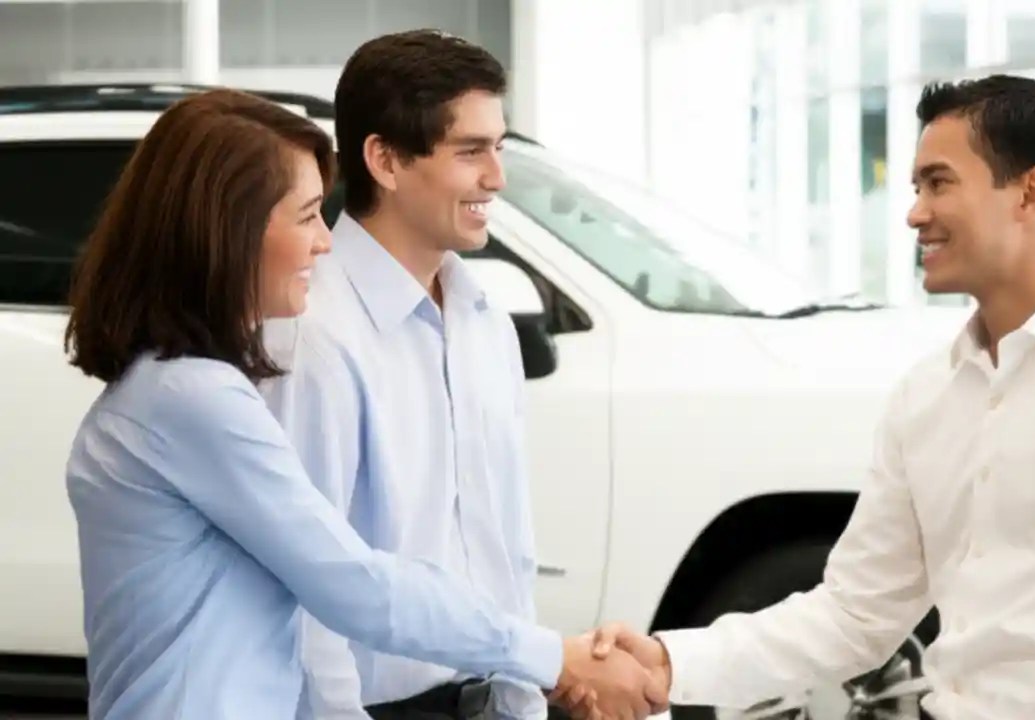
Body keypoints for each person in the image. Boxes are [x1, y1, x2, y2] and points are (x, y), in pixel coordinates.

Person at [590, 75, 1035, 719]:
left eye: (938, 183)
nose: (915, 213)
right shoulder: (926, 396)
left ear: (1031, 193)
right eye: (915, 186)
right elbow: (856, 613)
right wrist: (667, 661)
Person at [63, 88, 656, 720]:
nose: (324, 243)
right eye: (308, 215)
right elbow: (354, 585)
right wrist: (550, 656)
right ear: (231, 230)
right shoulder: (191, 400)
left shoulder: (182, 388)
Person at [256, 29, 637, 720]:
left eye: (499, 147)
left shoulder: (483, 318)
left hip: (487, 697)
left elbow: (504, 546)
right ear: (385, 160)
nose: (497, 176)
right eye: (471, 152)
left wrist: (519, 701)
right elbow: (305, 589)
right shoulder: (312, 334)